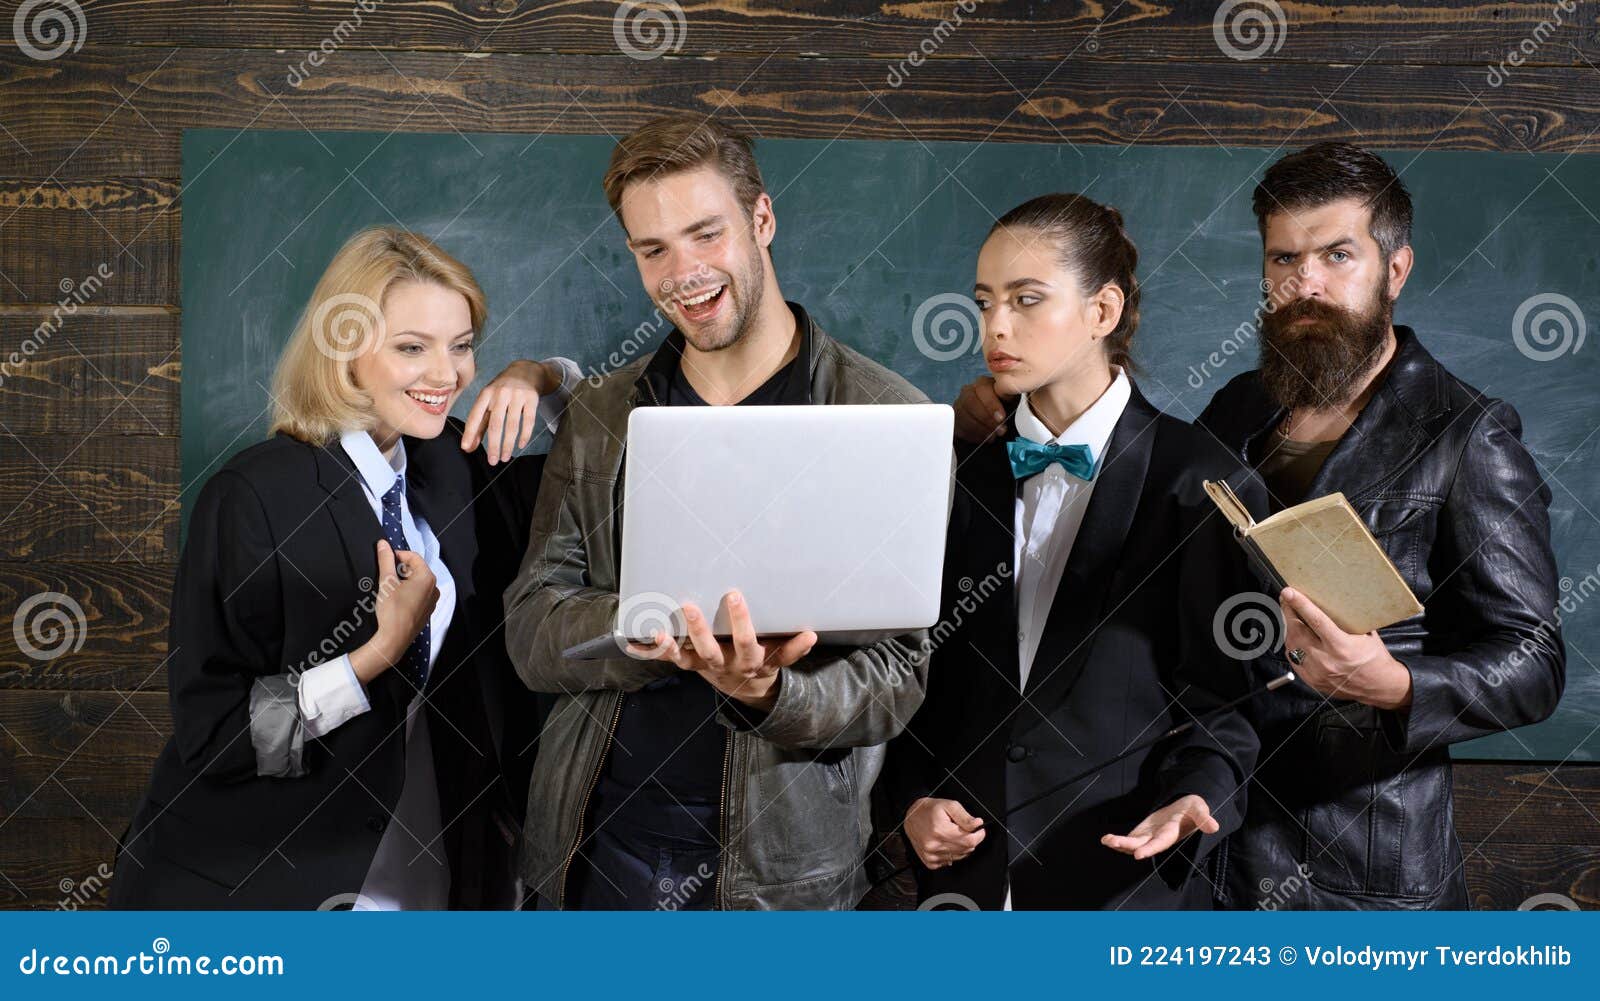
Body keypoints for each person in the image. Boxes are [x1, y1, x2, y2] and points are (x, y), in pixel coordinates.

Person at [952, 144, 1566, 909]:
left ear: (1395, 269)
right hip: (1206, 849)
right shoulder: (1239, 408)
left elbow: (1535, 663)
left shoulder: (1467, 437)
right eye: (1284, 259)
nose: (1306, 282)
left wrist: (1397, 684)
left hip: (1357, 870)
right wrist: (1007, 413)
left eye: (1337, 255)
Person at [502, 114, 932, 911]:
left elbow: (897, 679)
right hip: (596, 852)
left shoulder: (885, 413)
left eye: (706, 234)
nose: (684, 272)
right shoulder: (600, 415)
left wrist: (770, 690)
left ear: (761, 219)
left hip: (784, 882)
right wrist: (651, 628)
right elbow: (531, 631)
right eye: (653, 249)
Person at [109, 226, 580, 909]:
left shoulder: (456, 464)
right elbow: (215, 734)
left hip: (432, 867)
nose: (446, 375)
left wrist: (541, 376)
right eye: (412, 348)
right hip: (270, 880)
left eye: (462, 345)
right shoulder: (252, 495)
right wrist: (372, 657)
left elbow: (603, 464)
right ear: (345, 351)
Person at [883, 193, 1262, 909]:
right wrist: (912, 799)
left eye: (1027, 300)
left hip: (1120, 883)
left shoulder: (1200, 481)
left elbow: (1227, 701)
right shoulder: (951, 469)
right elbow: (912, 670)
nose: (996, 326)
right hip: (962, 884)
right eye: (985, 302)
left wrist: (1197, 793)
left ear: (1103, 311)